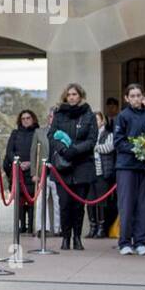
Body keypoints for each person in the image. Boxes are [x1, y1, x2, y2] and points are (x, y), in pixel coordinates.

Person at [49, 83, 97, 250]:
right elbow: (51, 135)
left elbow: (92, 140)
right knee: (64, 204)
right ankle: (65, 237)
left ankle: (77, 237)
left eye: (74, 94)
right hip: (63, 166)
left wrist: (74, 150)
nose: (71, 97)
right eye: (69, 94)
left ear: (80, 96)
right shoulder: (59, 114)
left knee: (78, 205)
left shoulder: (89, 115)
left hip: (82, 165)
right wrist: (63, 149)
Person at [114, 83, 145, 255]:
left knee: (144, 205)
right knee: (126, 205)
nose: (135, 99)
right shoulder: (122, 116)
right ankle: (125, 242)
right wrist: (137, 148)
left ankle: (141, 242)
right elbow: (118, 142)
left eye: (138, 95)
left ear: (142, 97)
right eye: (132, 96)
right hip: (126, 167)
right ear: (126, 98)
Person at [4, 110, 39, 234]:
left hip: (32, 170)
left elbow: (39, 151)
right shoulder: (15, 133)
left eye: (28, 118)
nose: (25, 120)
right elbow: (9, 151)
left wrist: (31, 163)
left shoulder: (37, 133)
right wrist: (18, 162)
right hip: (18, 170)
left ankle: (30, 227)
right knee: (19, 200)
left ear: (33, 119)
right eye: (23, 118)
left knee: (30, 199)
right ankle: (22, 225)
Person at [90, 110, 116, 239]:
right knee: (90, 201)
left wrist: (93, 147)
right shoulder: (89, 135)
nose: (95, 122)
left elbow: (108, 148)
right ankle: (92, 227)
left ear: (102, 121)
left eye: (97, 120)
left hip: (103, 173)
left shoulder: (109, 134)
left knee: (102, 202)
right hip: (90, 173)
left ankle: (102, 228)